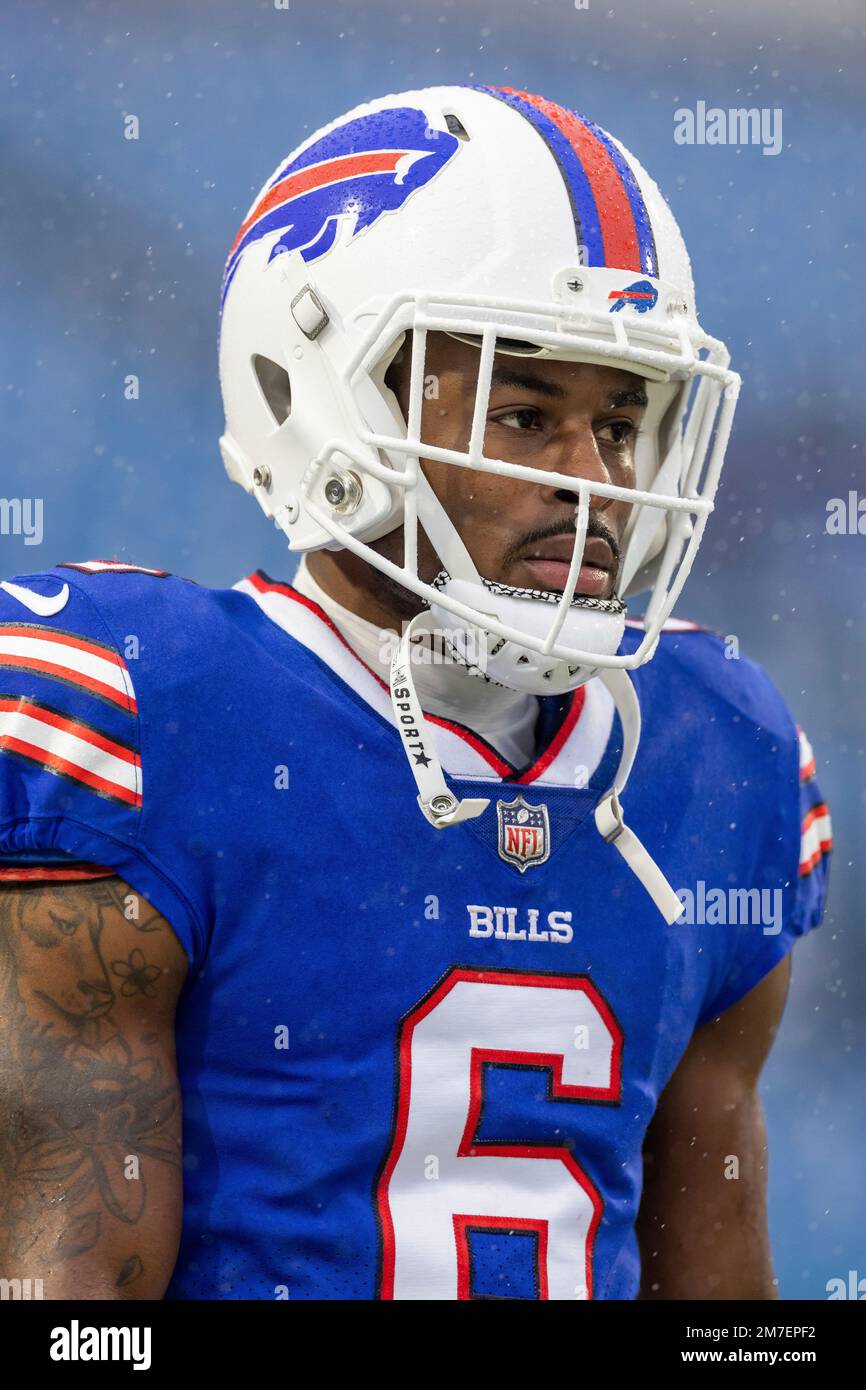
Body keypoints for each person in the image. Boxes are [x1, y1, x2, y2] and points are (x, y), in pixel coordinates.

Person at [0, 84, 831, 1300]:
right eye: (524, 413)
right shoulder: (152, 714)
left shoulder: (718, 752)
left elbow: (721, 1313)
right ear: (327, 400)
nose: (593, 480)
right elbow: (70, 1303)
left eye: (620, 422)